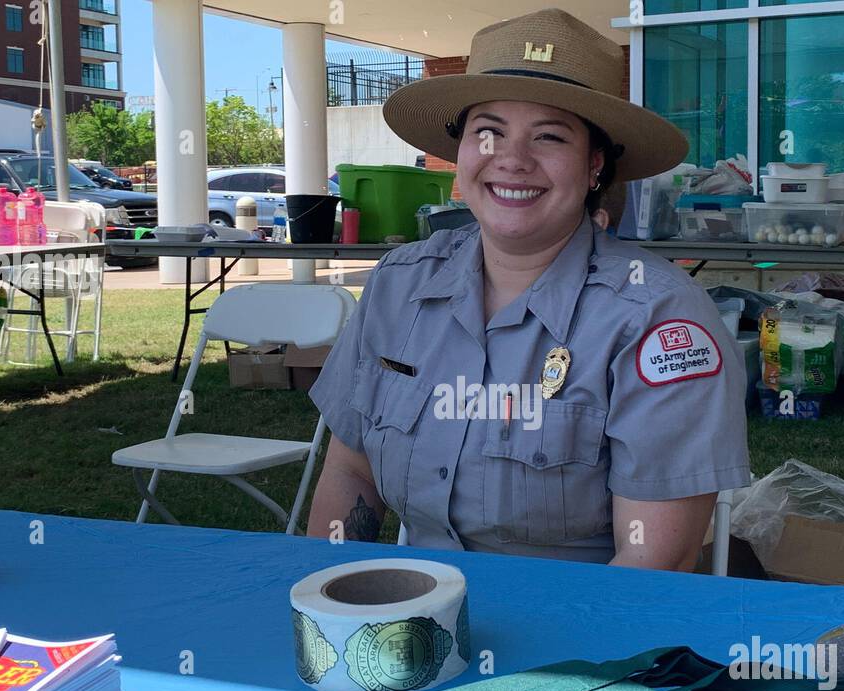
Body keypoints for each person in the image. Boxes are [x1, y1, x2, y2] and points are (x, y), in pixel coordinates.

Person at [306, 8, 749, 571]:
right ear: (461, 154)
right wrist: (331, 601)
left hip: (575, 631)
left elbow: (653, 556)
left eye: (548, 136)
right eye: (487, 132)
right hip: (412, 620)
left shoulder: (656, 316)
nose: (511, 160)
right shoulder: (399, 284)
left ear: (594, 167)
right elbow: (351, 472)